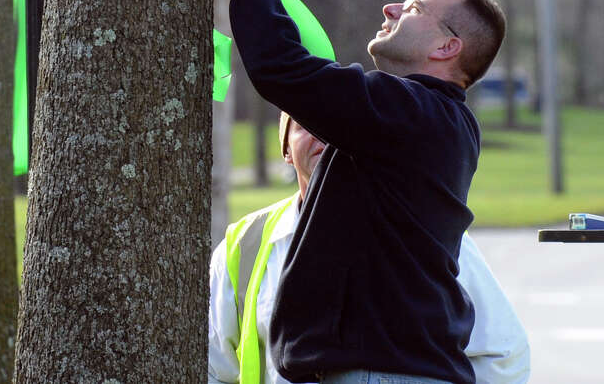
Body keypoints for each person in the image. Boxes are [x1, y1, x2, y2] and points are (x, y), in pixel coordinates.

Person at [206, 0, 507, 384]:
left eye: (412, 8)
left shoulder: (414, 114)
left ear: (447, 48)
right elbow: (300, 70)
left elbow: (285, 69)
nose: (390, 9)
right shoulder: (421, 120)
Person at [208, 112, 530, 384]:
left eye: (339, 120)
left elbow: (504, 354)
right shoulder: (244, 246)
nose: (326, 132)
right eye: (307, 121)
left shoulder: (424, 230)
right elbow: (214, 369)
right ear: (286, 150)